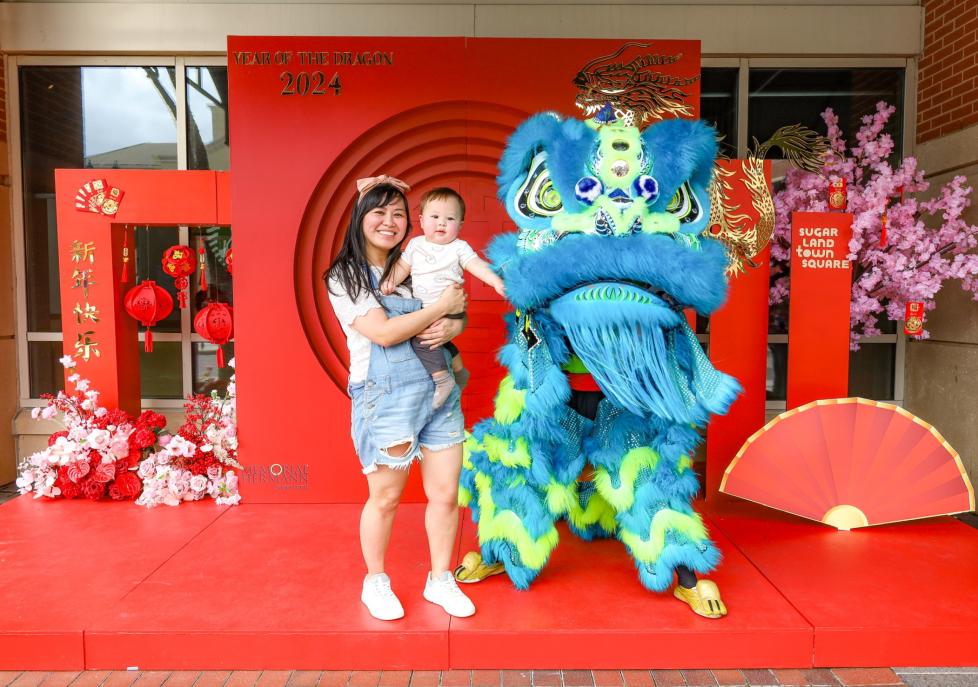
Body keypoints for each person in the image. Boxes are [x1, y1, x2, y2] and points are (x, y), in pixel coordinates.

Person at [325, 175, 476, 621]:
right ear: (360, 217)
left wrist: (455, 324)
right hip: (386, 394)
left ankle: (440, 578)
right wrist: (440, 309)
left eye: (398, 214)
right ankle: (375, 580)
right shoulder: (346, 276)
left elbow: (456, 313)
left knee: (445, 493)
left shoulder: (418, 261)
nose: (389, 222)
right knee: (387, 497)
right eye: (379, 212)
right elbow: (385, 333)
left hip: (438, 388)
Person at [381, 187, 505, 409]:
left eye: (450, 219)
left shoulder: (459, 248)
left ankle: (443, 380)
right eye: (435, 217)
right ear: (421, 220)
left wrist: (496, 281)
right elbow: (403, 266)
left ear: (460, 225)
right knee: (441, 341)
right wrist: (391, 280)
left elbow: (477, 265)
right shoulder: (416, 244)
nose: (442, 223)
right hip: (426, 309)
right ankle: (459, 370)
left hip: (450, 308)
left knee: (422, 340)